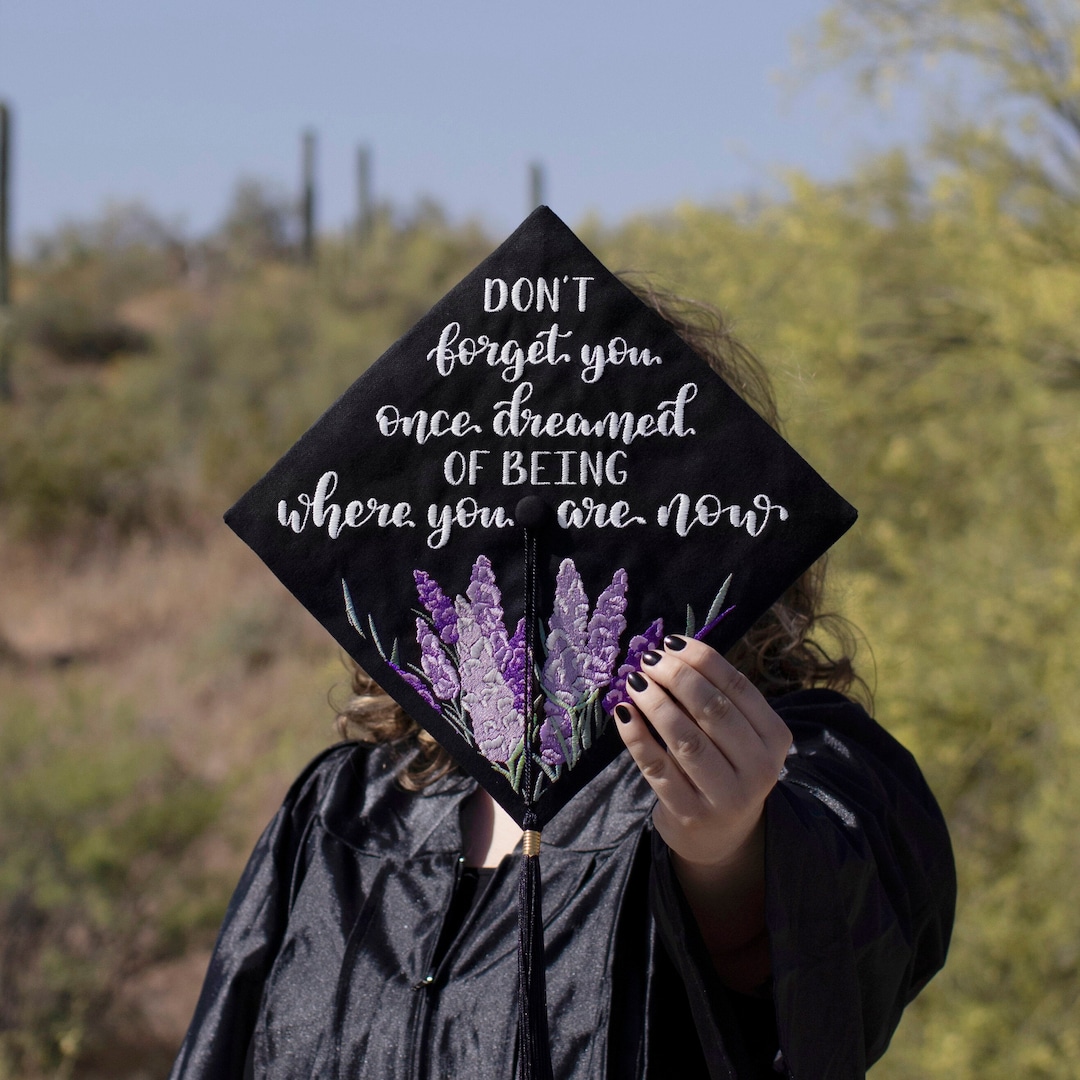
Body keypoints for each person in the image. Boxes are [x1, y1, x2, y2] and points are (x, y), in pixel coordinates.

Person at [168, 292, 956, 1080]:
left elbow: (826, 960)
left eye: (602, 482)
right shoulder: (344, 808)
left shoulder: (795, 761)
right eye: (495, 473)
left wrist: (725, 846)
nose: (542, 524)